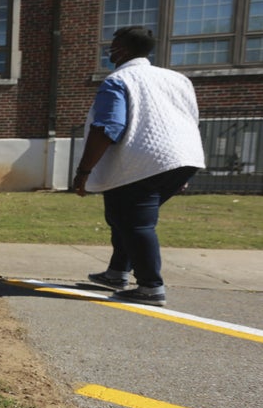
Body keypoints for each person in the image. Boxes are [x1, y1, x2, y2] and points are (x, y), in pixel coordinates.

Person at [74, 26, 205, 307]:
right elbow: (190, 119)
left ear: (122, 50)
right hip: (183, 157)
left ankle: (150, 287)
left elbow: (109, 127)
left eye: (113, 46)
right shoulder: (178, 79)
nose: (110, 50)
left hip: (142, 161)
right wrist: (179, 167)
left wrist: (84, 171)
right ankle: (117, 273)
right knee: (122, 217)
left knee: (136, 223)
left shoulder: (119, 80)